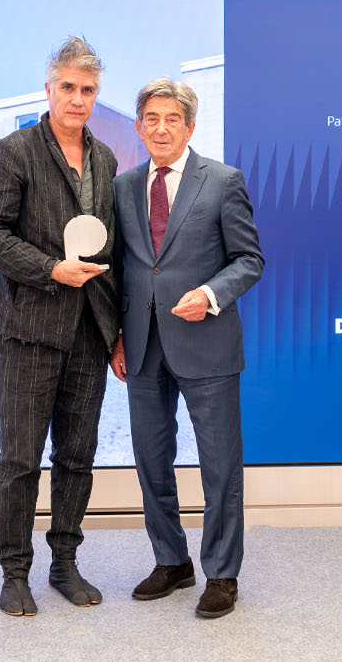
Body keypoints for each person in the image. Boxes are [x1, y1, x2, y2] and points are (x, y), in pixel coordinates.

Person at [0, 36, 122, 617]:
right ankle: (14, 572)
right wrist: (50, 269)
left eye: (88, 91)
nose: (77, 99)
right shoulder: (12, 152)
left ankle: (65, 563)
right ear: (49, 88)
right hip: (28, 330)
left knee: (77, 457)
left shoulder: (105, 159)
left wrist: (119, 331)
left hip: (90, 333)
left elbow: (117, 251)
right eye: (68, 88)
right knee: (20, 461)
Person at [108, 77, 264, 619]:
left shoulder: (222, 181)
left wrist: (210, 293)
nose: (161, 127)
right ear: (139, 126)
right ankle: (172, 561)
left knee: (220, 466)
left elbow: (249, 260)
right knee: (152, 462)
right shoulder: (123, 187)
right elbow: (126, 269)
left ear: (190, 126)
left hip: (209, 345)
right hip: (143, 348)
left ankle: (222, 572)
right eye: (151, 118)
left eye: (172, 118)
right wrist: (117, 336)